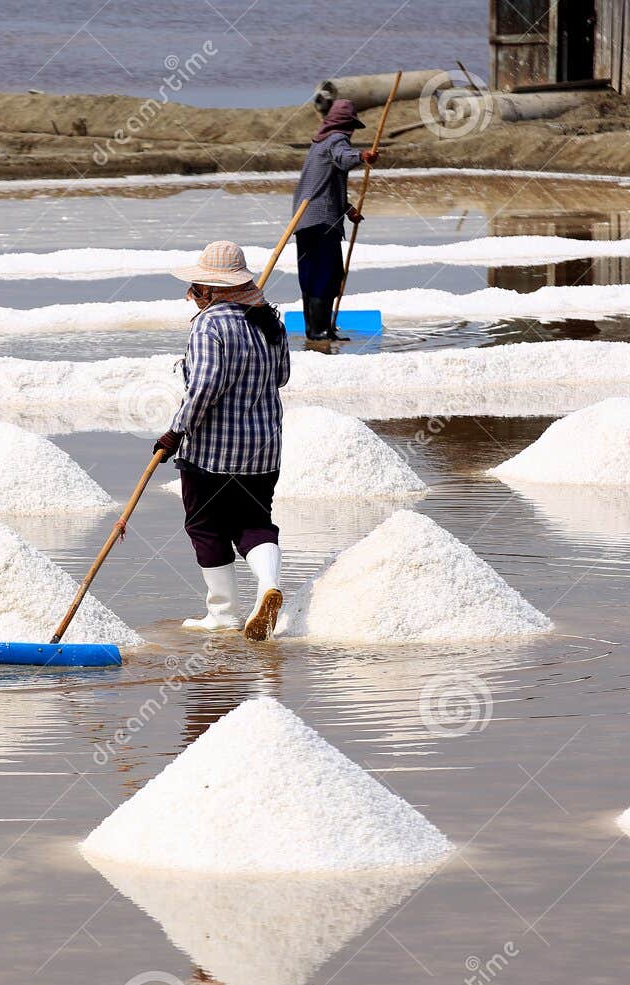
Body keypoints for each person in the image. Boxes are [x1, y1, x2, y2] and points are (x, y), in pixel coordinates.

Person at [152, 240, 291, 642]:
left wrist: (177, 430)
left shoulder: (211, 324)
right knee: (254, 523)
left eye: (197, 288)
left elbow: (206, 386)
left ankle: (224, 612)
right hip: (264, 449)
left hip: (212, 453)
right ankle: (268, 587)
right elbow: (280, 377)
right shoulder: (270, 322)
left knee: (206, 526)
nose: (193, 295)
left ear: (214, 291)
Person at [292, 97, 378, 343]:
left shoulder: (318, 144)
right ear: (345, 124)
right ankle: (320, 331)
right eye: (350, 125)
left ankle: (316, 330)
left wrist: (348, 209)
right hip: (321, 223)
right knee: (326, 275)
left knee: (311, 276)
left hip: (305, 219)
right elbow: (343, 157)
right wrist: (362, 156)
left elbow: (323, 187)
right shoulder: (337, 139)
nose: (351, 131)